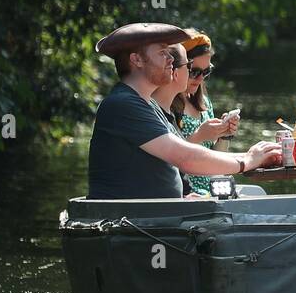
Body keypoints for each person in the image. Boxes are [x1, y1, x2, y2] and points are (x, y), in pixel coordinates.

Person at [87, 22, 280, 199]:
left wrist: (254, 157)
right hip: (132, 226)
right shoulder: (122, 105)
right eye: (162, 52)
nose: (171, 58)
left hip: (158, 220)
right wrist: (246, 161)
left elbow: (184, 156)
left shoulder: (149, 105)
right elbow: (186, 158)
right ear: (136, 59)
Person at [173, 30, 239, 196]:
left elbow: (215, 158)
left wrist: (224, 135)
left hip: (213, 190)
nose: (200, 78)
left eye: (206, 71)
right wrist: (199, 136)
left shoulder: (204, 103)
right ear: (179, 67)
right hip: (188, 194)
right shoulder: (166, 105)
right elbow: (170, 157)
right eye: (194, 72)